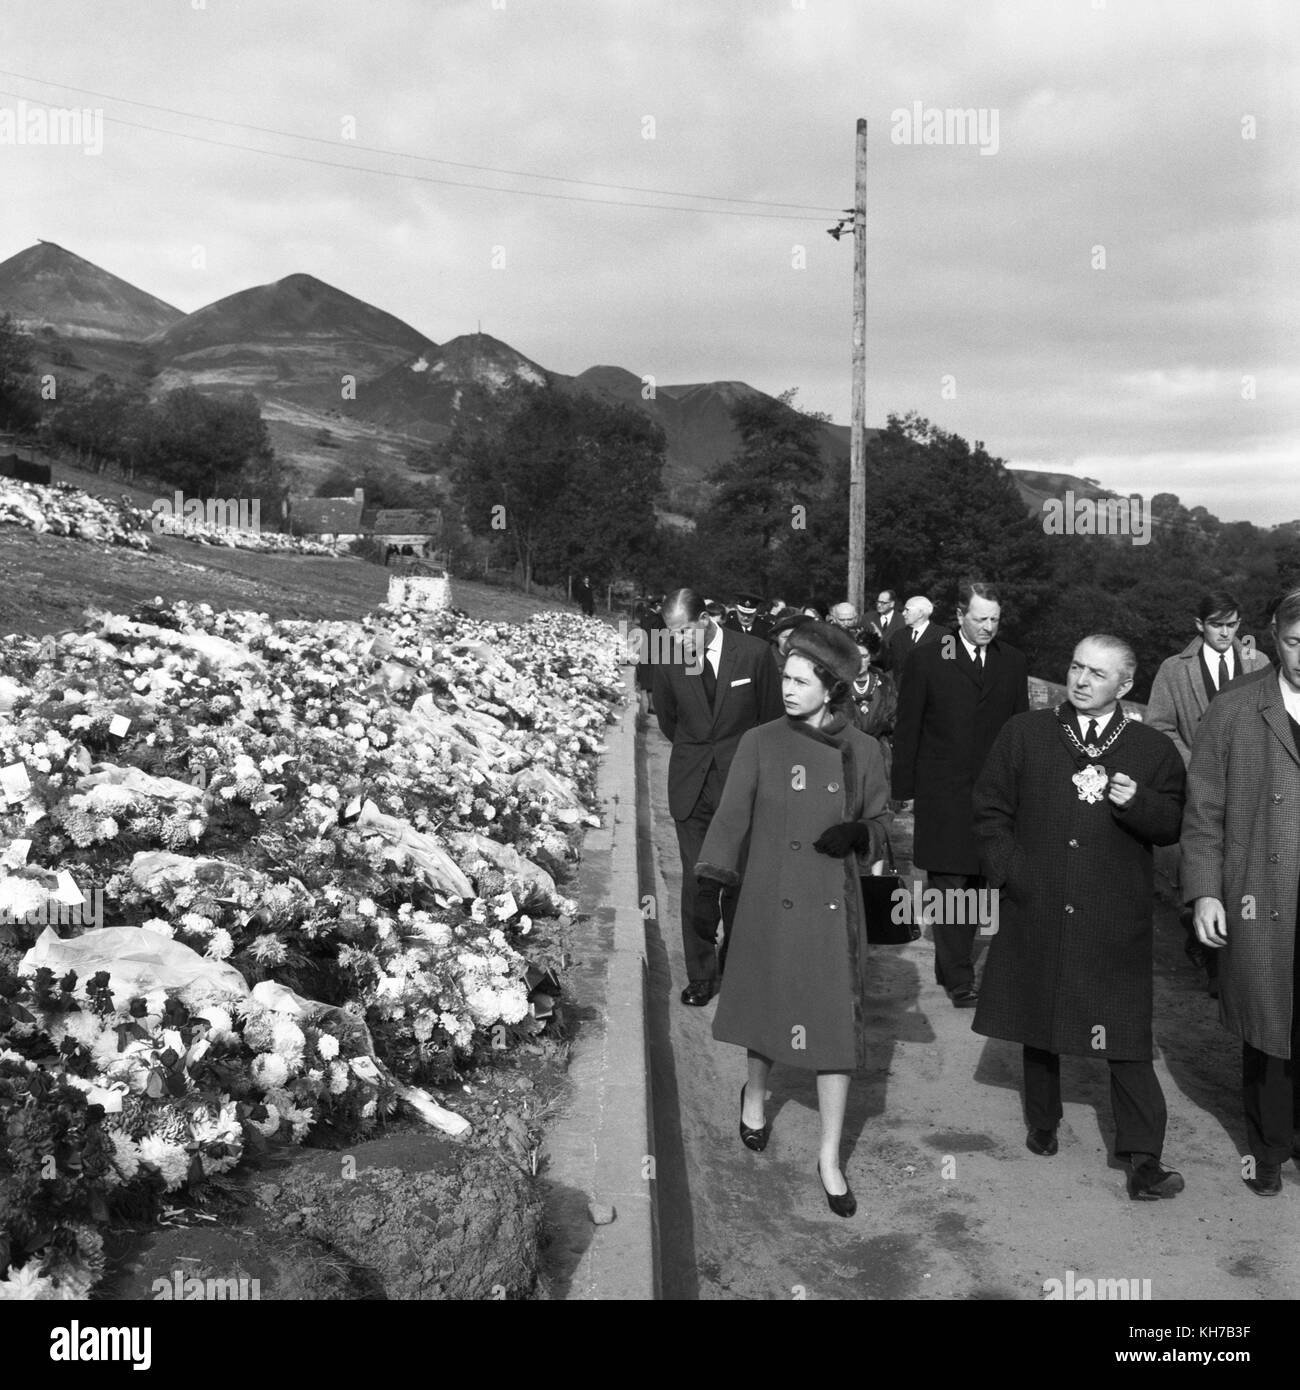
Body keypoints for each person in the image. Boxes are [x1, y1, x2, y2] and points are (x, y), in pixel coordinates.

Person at [972, 634, 1188, 1200]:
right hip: (1036, 897)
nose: (1081, 680)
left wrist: (1137, 801)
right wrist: (1013, 873)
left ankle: (1143, 1159)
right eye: (1075, 667)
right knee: (1038, 1012)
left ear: (1125, 685)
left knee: (1125, 1035)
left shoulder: (1150, 750)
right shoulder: (1027, 732)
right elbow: (990, 808)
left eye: (1097, 673)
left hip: (1113, 914)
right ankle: (1043, 1121)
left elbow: (1170, 825)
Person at [696, 622, 891, 1216]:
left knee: (835, 1029)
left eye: (801, 680)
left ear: (831, 689)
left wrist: (861, 830)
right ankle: (755, 1096)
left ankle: (829, 1157)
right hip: (768, 898)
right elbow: (730, 820)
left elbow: (884, 827)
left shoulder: (865, 750)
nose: (787, 688)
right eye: (785, 676)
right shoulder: (759, 741)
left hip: (835, 907)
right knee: (768, 1008)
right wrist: (711, 882)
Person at [1180, 589, 1300, 1197]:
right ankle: (1270, 1150)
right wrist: (1205, 892)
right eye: (1295, 643)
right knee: (1268, 1026)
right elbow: (1204, 811)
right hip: (1262, 892)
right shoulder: (1234, 707)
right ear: (1274, 641)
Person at [891, 582, 1028, 1006]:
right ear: (960, 616)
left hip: (996, 794)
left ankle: (960, 964)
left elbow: (1021, 728)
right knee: (951, 884)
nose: (988, 627)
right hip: (943, 794)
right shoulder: (928, 659)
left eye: (995, 620)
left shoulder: (1012, 662)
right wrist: (904, 789)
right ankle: (958, 978)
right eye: (980, 618)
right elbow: (908, 726)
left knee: (986, 884)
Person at [653, 589, 784, 1006]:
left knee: (739, 882)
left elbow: (771, 717)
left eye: (685, 631)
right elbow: (669, 721)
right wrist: (699, 754)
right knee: (698, 882)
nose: (678, 641)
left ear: (706, 619)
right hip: (691, 787)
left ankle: (740, 966)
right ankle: (701, 976)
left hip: (742, 785)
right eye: (671, 634)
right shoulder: (669, 658)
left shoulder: (754, 653)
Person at [1146, 590, 1273, 994]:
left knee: (1243, 871)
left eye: (1232, 624)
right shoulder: (1173, 669)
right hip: (1196, 787)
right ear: (1199, 625)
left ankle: (1227, 960)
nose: (1225, 633)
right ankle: (1209, 953)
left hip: (1250, 787)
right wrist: (1196, 766)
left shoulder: (1261, 663)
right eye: (1216, 624)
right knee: (1202, 864)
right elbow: (1159, 727)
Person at [849, 628, 897, 780]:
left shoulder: (885, 684)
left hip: (879, 754)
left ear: (871, 657)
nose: (858, 661)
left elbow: (895, 717)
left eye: (863, 656)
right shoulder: (838, 684)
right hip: (847, 751)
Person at [886, 595, 944, 673]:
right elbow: (887, 664)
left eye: (907, 610)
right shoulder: (897, 636)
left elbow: (949, 669)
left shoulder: (944, 636)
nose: (903, 613)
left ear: (920, 613)